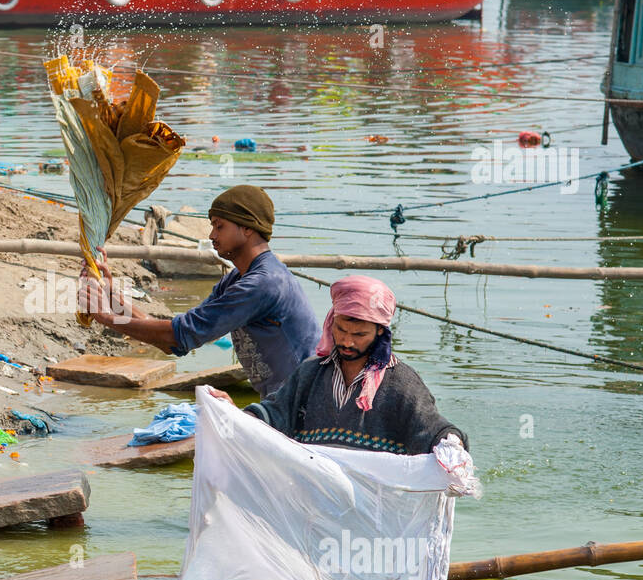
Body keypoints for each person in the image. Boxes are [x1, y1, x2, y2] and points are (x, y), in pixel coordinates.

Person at [78, 184, 320, 399]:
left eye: (219, 226)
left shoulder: (263, 283)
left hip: (306, 402)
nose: (211, 236)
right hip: (284, 402)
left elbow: (175, 336)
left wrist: (105, 317)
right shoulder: (238, 279)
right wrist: (112, 297)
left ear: (247, 228)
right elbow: (177, 337)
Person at [219, 274, 467, 456]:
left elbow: (428, 427)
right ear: (331, 322)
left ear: (380, 332)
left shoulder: (402, 383)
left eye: (359, 335)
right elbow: (276, 414)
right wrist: (235, 415)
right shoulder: (311, 372)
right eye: (341, 329)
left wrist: (450, 444)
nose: (347, 341)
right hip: (317, 498)